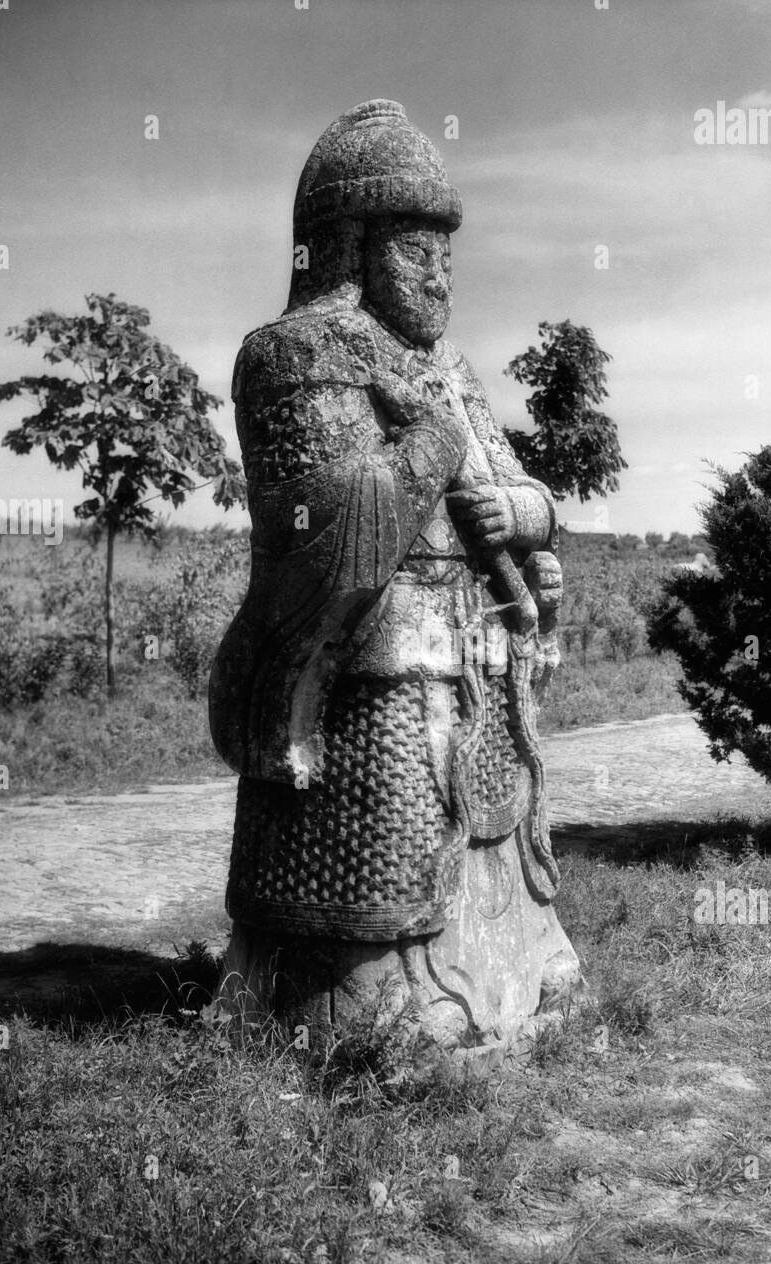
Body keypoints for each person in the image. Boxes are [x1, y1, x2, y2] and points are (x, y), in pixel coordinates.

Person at [210, 100, 580, 1055]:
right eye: (418, 253)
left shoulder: (447, 365)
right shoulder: (292, 356)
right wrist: (429, 445)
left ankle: (515, 963)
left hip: (478, 639)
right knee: (384, 830)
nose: (439, 275)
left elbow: (513, 474)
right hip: (376, 651)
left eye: (447, 256)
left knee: (493, 819)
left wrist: (527, 511)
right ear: (351, 249)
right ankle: (363, 1010)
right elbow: (317, 525)